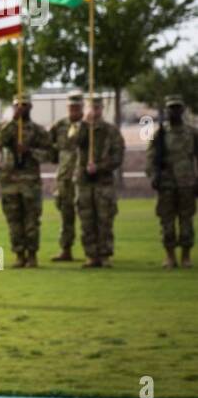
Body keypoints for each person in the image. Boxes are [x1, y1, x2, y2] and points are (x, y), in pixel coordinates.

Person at [0, 92, 51, 268]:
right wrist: (13, 121)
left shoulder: (38, 131)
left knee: (32, 220)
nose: (21, 108)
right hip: (9, 181)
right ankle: (19, 254)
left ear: (30, 107)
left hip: (30, 181)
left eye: (24, 105)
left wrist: (29, 151)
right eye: (17, 105)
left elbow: (49, 153)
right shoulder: (4, 127)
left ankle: (32, 254)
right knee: (14, 220)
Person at [73, 95, 125, 268]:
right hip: (84, 183)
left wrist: (100, 167)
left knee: (105, 220)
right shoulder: (80, 128)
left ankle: (104, 255)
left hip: (103, 183)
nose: (94, 112)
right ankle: (91, 255)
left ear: (102, 109)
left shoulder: (111, 131)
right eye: (91, 108)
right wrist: (83, 125)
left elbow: (118, 156)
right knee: (86, 220)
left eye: (97, 108)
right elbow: (72, 142)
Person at [147, 94, 198, 268]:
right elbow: (151, 157)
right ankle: (170, 256)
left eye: (177, 108)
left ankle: (185, 256)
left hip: (187, 183)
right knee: (166, 220)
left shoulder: (192, 132)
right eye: (171, 108)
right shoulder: (160, 133)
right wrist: (153, 175)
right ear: (166, 110)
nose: (174, 111)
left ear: (182, 110)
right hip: (166, 183)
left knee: (186, 220)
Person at [47, 91, 84, 262]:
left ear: (82, 107)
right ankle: (66, 249)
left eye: (77, 106)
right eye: (71, 106)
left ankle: (95, 252)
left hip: (84, 178)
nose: (74, 110)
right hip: (64, 178)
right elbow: (48, 147)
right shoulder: (59, 126)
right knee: (66, 215)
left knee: (88, 215)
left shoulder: (90, 127)